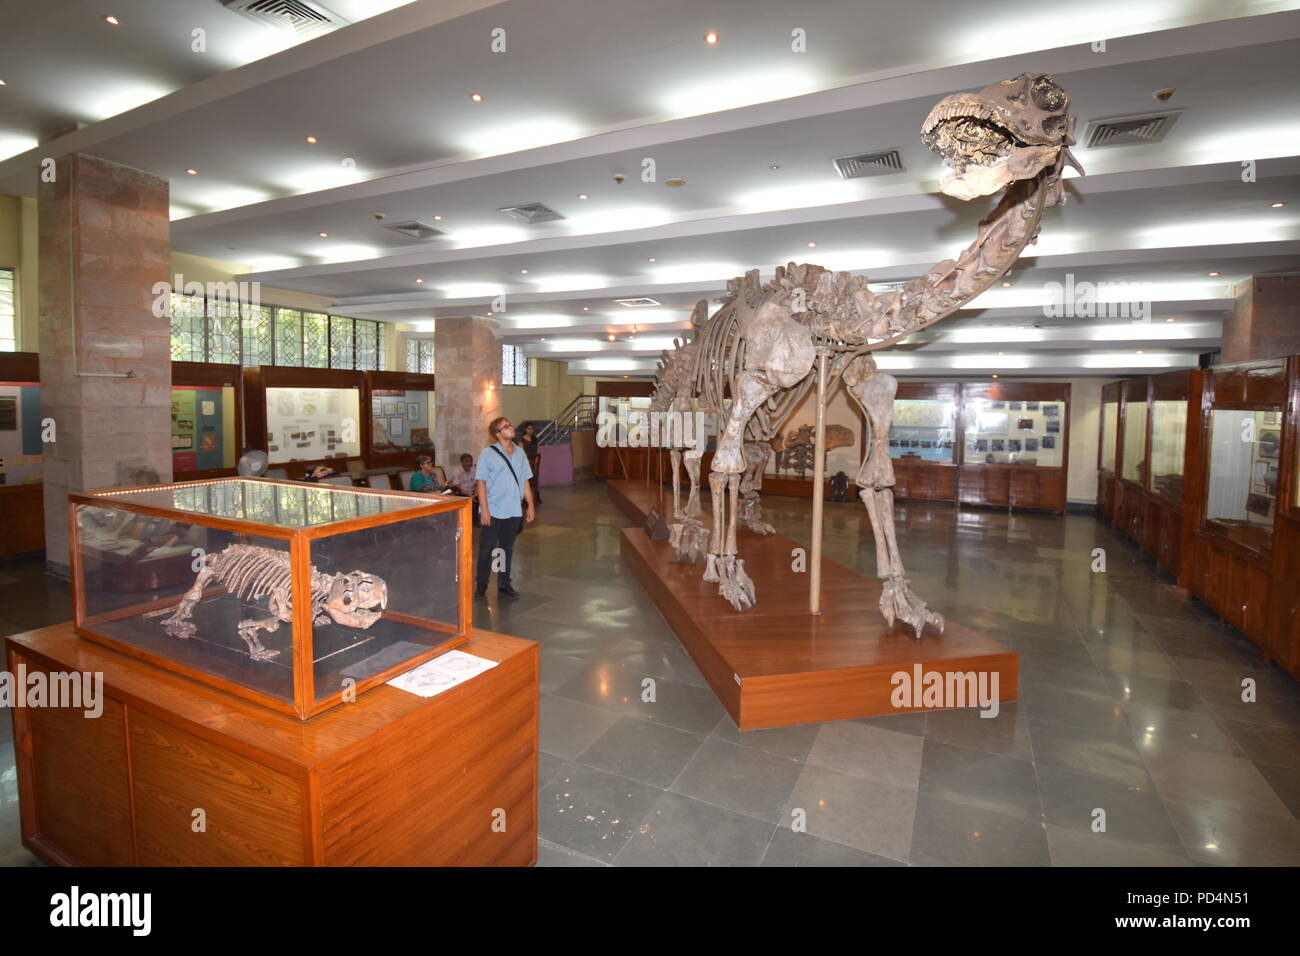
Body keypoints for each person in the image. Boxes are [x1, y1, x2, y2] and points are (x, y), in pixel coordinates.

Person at [474, 417, 535, 601]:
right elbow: (481, 483)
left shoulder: (520, 453)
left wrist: (530, 505)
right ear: (498, 434)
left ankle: (503, 584)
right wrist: (484, 510)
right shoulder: (488, 454)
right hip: (493, 509)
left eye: (510, 424)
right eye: (506, 426)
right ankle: (481, 584)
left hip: (513, 510)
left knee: (506, 548)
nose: (511, 427)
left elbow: (524, 481)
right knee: (487, 548)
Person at [519, 423, 542, 504]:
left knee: (536, 479)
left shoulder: (535, 439)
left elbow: (538, 450)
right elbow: (521, 452)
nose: (530, 430)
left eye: (532, 429)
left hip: (534, 463)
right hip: (525, 463)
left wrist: (536, 461)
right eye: (529, 429)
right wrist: (526, 462)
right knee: (524, 480)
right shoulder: (522, 440)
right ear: (525, 429)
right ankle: (524, 497)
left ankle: (536, 496)